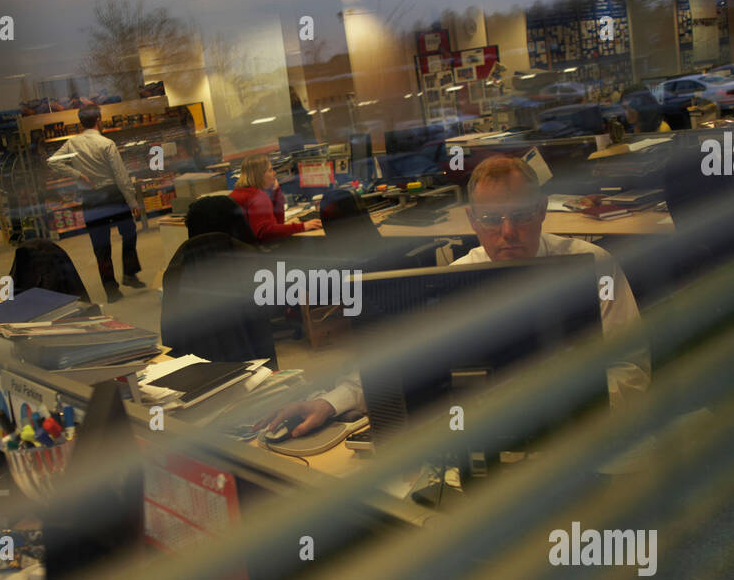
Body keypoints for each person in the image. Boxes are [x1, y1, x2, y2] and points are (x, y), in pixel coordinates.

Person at [267, 154, 650, 437]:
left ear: (541, 210)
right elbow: (401, 367)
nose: (508, 232)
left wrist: (559, 415)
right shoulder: (456, 280)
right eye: (490, 219)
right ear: (471, 221)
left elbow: (631, 370)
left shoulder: (592, 265)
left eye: (520, 215)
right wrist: (328, 402)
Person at [161, 195, 276, 363]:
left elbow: (170, 334)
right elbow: (261, 326)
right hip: (253, 368)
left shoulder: (177, 265)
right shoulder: (246, 258)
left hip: (193, 372)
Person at [47, 103, 144, 302]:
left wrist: (78, 175)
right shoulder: (106, 143)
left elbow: (53, 161)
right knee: (129, 232)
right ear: (99, 120)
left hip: (90, 199)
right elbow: (120, 175)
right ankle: (130, 273)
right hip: (113, 195)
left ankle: (111, 289)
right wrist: (132, 201)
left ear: (81, 122)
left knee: (100, 245)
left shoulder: (72, 143)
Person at [231, 154, 323, 242]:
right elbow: (265, 232)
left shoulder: (236, 193)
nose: (274, 173)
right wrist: (303, 226)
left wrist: (276, 192)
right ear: (259, 175)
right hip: (265, 254)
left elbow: (277, 225)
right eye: (270, 170)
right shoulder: (257, 196)